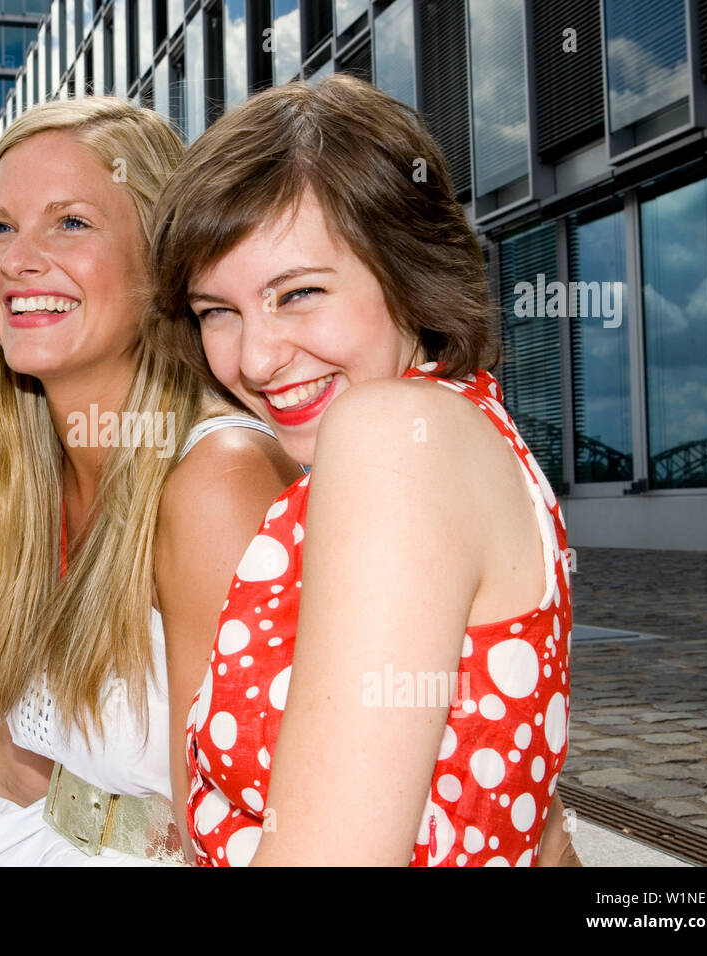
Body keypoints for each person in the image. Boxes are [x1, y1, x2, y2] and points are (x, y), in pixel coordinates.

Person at [147, 74, 577, 866]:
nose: (256, 357)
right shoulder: (454, 436)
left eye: (299, 293)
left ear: (411, 275)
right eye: (219, 311)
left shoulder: (392, 438)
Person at [0, 97, 298, 866]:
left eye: (71, 223)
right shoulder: (28, 481)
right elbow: (19, 769)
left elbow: (238, 826)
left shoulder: (215, 480)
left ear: (160, 261)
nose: (19, 260)